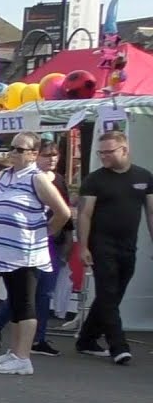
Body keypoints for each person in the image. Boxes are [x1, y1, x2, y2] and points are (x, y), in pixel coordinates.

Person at [0, 132, 70, 376]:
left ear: (33, 154)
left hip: (26, 251)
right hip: (5, 252)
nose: (13, 153)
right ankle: (15, 351)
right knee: (16, 302)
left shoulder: (37, 178)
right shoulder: (4, 175)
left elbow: (62, 212)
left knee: (26, 304)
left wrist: (45, 232)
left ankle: (23, 358)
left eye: (20, 149)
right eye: (12, 148)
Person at [75, 131, 152, 366]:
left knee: (113, 295)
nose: (103, 157)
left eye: (108, 152)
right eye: (101, 152)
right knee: (108, 292)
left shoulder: (143, 177)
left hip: (128, 246)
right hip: (101, 244)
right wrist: (84, 246)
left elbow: (151, 213)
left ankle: (87, 339)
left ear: (124, 150)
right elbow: (84, 214)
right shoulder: (95, 180)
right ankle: (118, 346)